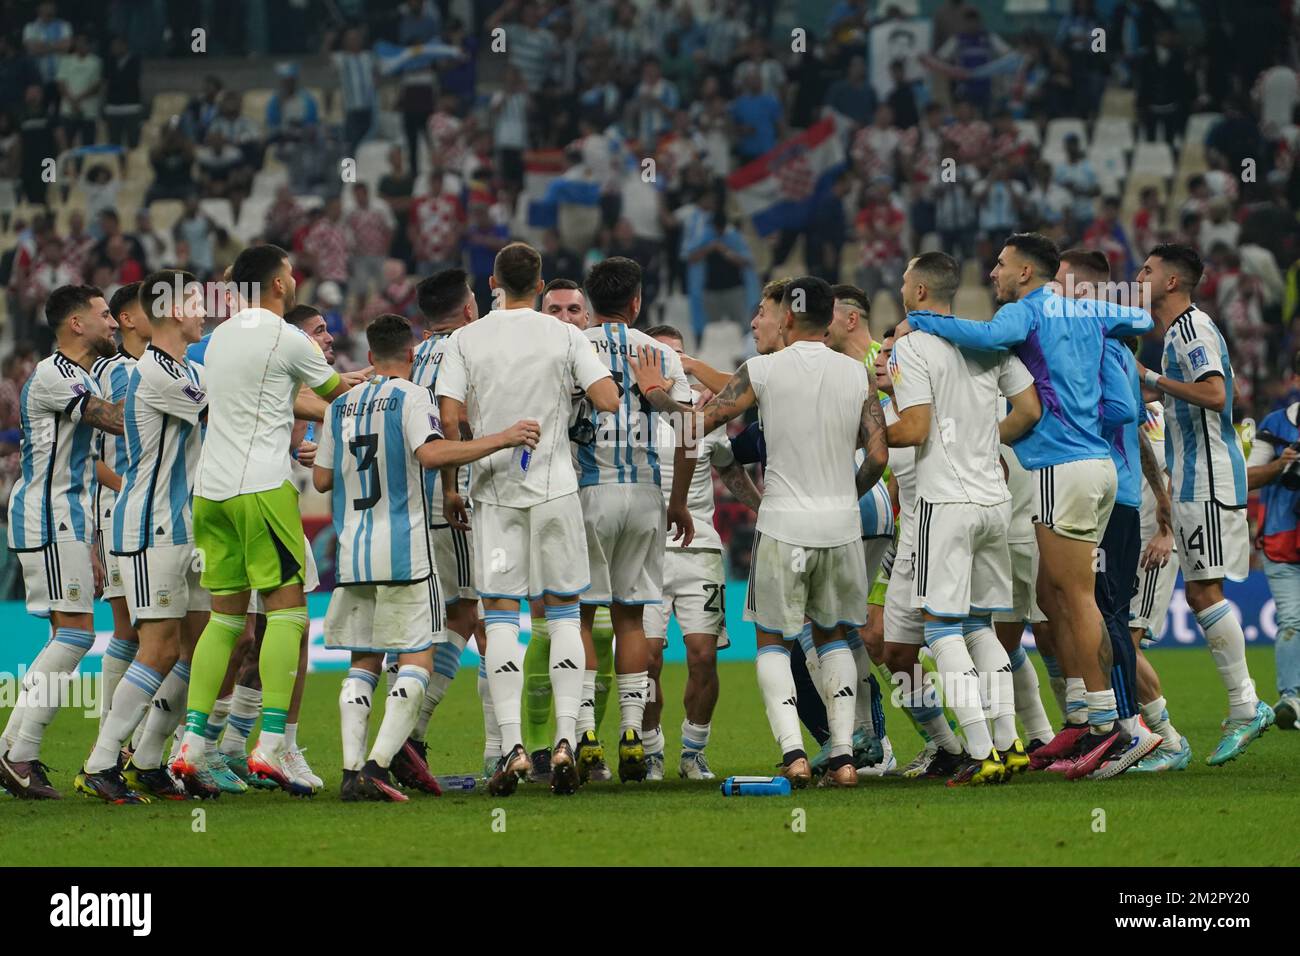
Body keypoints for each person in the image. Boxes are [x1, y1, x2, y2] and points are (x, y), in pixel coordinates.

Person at [899, 232, 1153, 778]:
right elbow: (1143, 322)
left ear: (1026, 273)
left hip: (1064, 466)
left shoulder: (1030, 312)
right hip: (1097, 466)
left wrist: (921, 321)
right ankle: (1085, 715)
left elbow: (986, 334)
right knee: (1051, 594)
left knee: (1076, 597)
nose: (993, 273)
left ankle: (1113, 726)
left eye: (1001, 265)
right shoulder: (1083, 311)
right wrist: (1095, 315)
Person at [632, 276, 889, 788]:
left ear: (788, 318)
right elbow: (879, 454)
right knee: (833, 634)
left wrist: (657, 397)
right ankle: (842, 756)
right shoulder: (856, 375)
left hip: (783, 526)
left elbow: (694, 427)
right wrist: (847, 493)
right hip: (840, 525)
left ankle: (794, 753)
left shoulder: (762, 371)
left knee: (773, 640)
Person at [316, 313, 539, 802]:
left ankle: (351, 771)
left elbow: (321, 480)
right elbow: (432, 455)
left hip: (352, 549)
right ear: (412, 357)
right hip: (404, 548)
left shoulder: (341, 405)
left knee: (364, 660)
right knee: (417, 654)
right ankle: (379, 765)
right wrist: (503, 437)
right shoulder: (414, 396)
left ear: (370, 356)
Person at [170, 245, 358, 795]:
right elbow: (332, 398)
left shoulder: (218, 337)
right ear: (277, 284)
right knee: (288, 616)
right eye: (291, 274)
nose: (295, 280)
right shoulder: (288, 337)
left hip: (212, 492)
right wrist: (376, 383)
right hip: (262, 486)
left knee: (226, 620)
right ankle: (272, 744)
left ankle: (193, 743)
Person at [434, 242, 619, 796]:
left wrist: (452, 486)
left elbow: (449, 420)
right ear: (540, 286)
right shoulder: (564, 334)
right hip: (556, 489)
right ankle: (565, 739)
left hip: (494, 491)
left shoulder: (464, 340)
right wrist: (567, 390)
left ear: (493, 281)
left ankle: (513, 746)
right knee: (564, 613)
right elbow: (608, 398)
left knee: (501, 617)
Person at [887, 252, 1041, 786]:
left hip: (944, 502)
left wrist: (863, 433)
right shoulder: (988, 340)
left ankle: (978, 750)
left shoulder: (911, 344)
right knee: (982, 626)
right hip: (993, 502)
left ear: (921, 291)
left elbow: (914, 428)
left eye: (906, 281)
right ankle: (1009, 742)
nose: (901, 288)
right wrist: (983, 442)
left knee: (940, 628)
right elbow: (1029, 410)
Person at [1136, 243, 1276, 763]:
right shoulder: (1177, 332)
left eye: (1147, 270)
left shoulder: (1191, 329)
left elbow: (1216, 396)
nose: (1139, 275)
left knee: (1204, 591)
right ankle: (1244, 705)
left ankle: (1247, 705)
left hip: (1208, 478)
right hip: (1194, 478)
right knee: (1200, 593)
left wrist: (1149, 377)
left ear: (1172, 282)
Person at [77, 270, 210, 804]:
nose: (205, 311)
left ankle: (149, 760)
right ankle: (101, 762)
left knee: (197, 644)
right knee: (156, 647)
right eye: (198, 302)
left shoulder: (187, 369)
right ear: (174, 310)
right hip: (151, 523)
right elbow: (222, 417)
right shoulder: (154, 372)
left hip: (181, 524)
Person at [571, 258, 693, 783]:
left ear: (590, 302)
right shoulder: (661, 352)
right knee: (631, 617)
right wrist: (679, 500)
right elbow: (690, 429)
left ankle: (583, 733)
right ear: (638, 303)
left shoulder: (570, 346)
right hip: (645, 493)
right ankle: (630, 734)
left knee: (577, 615)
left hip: (586, 492)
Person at [0, 285, 124, 799]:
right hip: (47, 515)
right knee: (73, 636)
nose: (113, 323)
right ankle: (18, 754)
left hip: (69, 518)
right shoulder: (57, 374)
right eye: (104, 315)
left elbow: (88, 462)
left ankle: (14, 751)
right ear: (76, 324)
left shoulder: (82, 375)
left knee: (72, 633)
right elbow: (114, 419)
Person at [1054, 249, 1162, 778]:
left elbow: (1124, 410)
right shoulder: (1099, 339)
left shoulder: (1107, 344)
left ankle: (1129, 729)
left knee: (1106, 612)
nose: (1053, 291)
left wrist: (1077, 409)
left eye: (1059, 281)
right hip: (1114, 493)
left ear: (1084, 287)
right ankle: (1140, 729)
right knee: (1100, 608)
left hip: (1113, 498)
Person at [640, 324, 760, 780]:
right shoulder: (631, 419)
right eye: (663, 357)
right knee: (647, 658)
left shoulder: (703, 421)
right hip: (645, 555)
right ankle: (651, 750)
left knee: (704, 656)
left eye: (680, 357)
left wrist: (764, 509)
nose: (675, 366)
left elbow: (730, 472)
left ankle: (693, 750)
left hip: (700, 551)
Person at [408, 270, 485, 777]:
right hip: (450, 500)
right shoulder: (468, 349)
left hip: (417, 502)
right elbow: (455, 423)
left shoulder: (412, 356)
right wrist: (454, 485)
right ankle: (410, 735)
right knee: (467, 615)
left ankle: (503, 743)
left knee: (455, 618)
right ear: (466, 310)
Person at [89, 283, 147, 753]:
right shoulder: (110, 372)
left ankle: (134, 743)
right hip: (120, 513)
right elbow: (92, 456)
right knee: (131, 629)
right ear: (128, 318)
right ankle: (115, 742)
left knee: (158, 629)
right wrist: (131, 490)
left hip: (159, 514)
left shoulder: (159, 369)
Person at [1247, 352, 1300, 730]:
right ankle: (1291, 698)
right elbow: (1249, 478)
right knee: (1293, 619)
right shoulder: (1276, 425)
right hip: (1283, 540)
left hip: (1282, 538)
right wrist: (1283, 463)